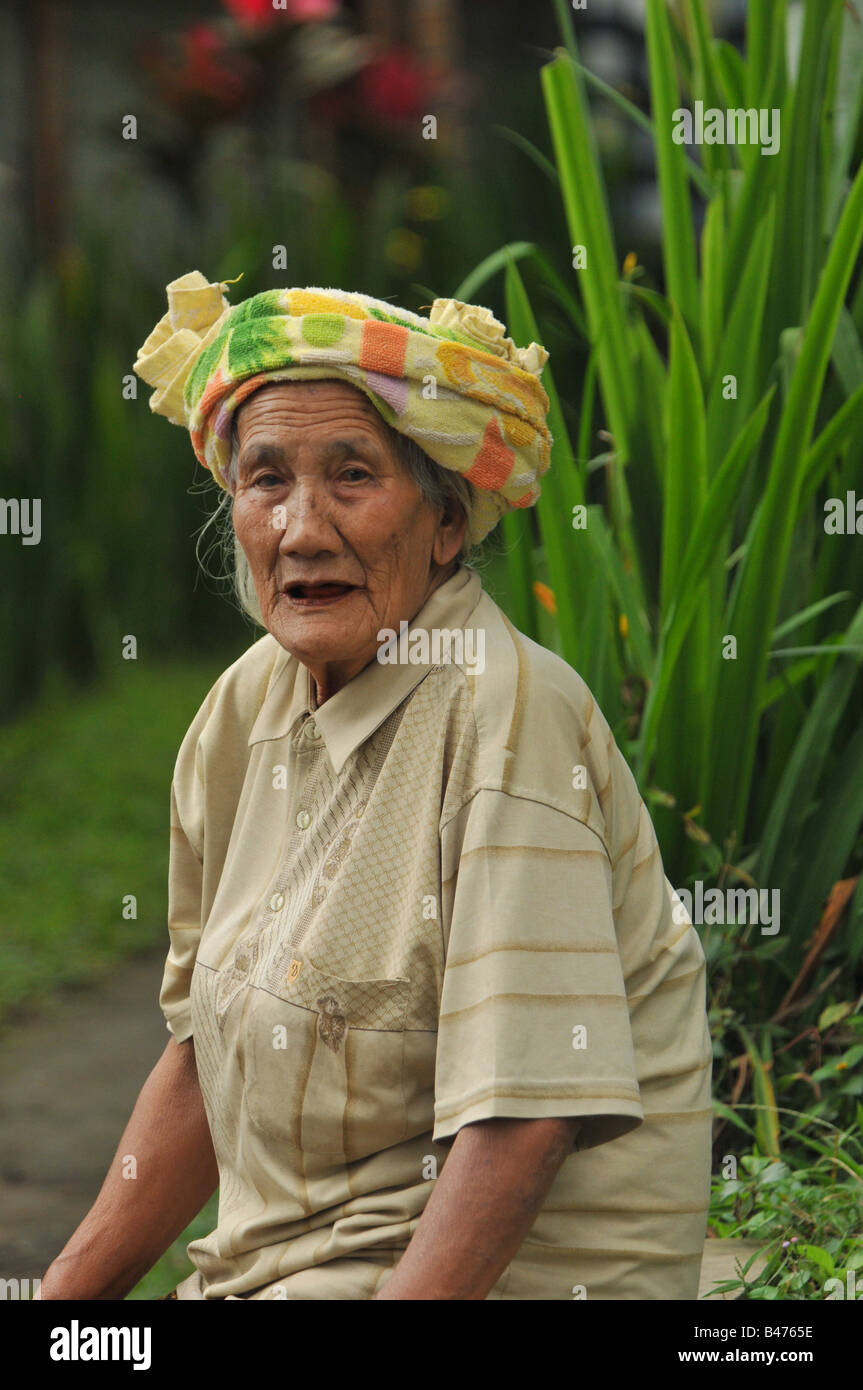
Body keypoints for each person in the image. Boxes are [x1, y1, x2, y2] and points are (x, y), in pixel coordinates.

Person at [38, 274, 712, 1301]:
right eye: (266, 482)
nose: (302, 529)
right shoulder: (240, 712)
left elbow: (521, 1123)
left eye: (351, 476)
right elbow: (200, 1062)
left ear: (445, 524)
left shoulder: (508, 715)